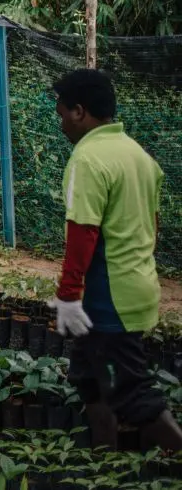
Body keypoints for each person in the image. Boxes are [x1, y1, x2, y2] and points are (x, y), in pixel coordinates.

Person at [49, 69, 182, 451]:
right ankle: (104, 454)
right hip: (136, 285)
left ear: (79, 112)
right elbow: (152, 229)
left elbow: (82, 232)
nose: (60, 124)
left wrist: (69, 294)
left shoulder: (88, 158)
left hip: (110, 297)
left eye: (61, 115)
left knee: (131, 393)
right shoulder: (138, 155)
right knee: (89, 377)